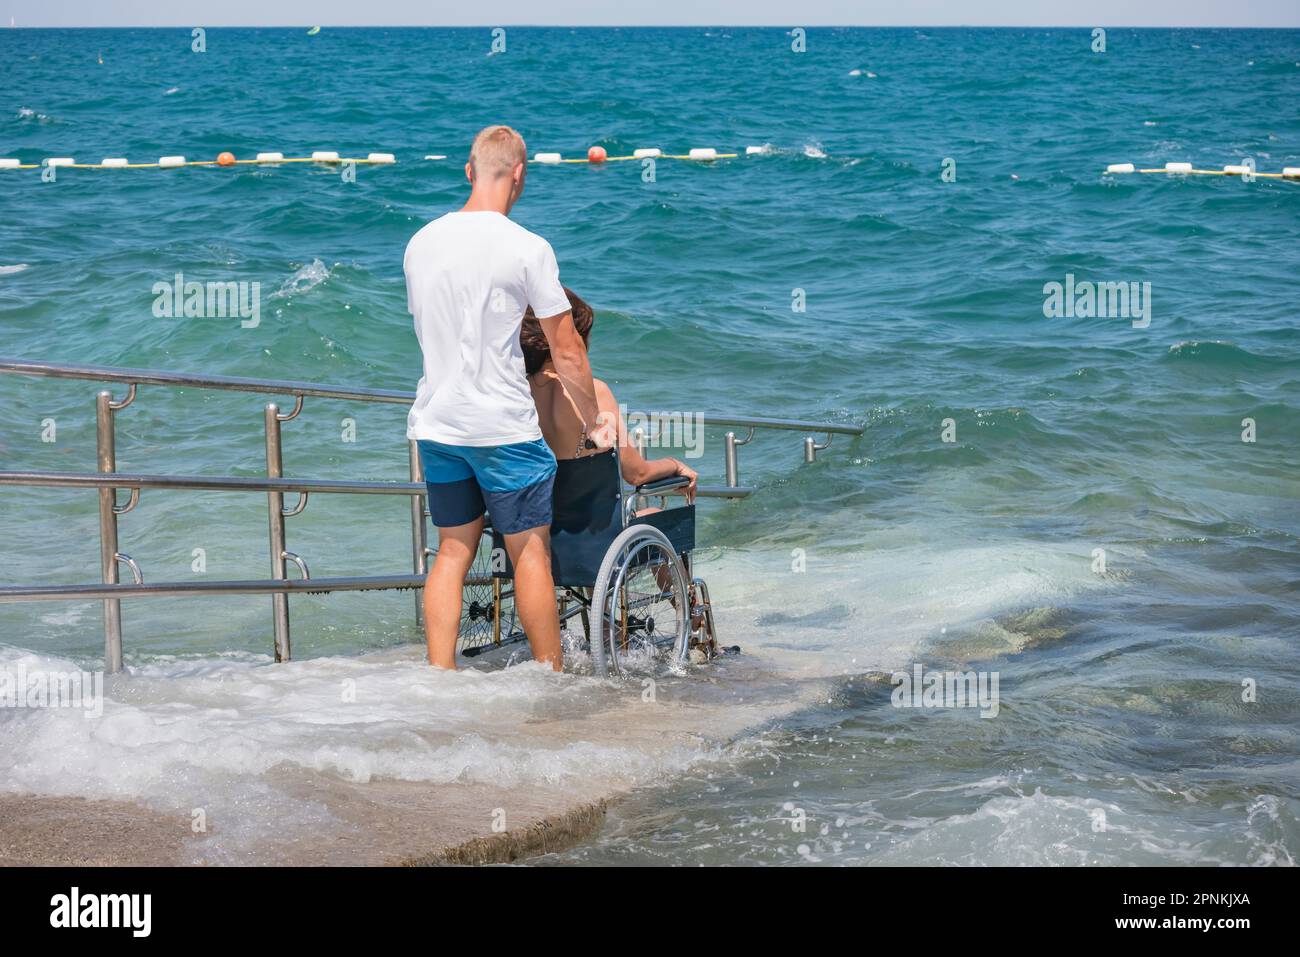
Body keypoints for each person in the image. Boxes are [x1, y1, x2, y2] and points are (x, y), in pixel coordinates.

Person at [404, 125, 603, 672]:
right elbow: (566, 350)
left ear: (469, 171)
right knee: (529, 552)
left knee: (452, 551)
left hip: (439, 424)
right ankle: (548, 675)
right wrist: (595, 421)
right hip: (503, 429)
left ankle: (439, 674)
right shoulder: (528, 248)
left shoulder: (421, 242)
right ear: (520, 176)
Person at [521, 288, 698, 499]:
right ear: (574, 338)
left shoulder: (516, 390)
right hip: (594, 528)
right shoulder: (596, 392)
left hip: (532, 524)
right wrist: (674, 464)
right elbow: (636, 473)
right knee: (651, 512)